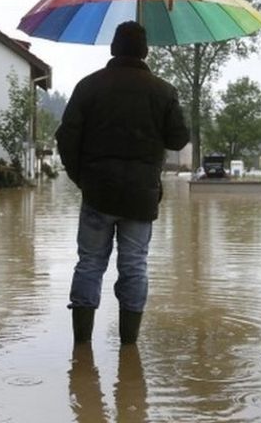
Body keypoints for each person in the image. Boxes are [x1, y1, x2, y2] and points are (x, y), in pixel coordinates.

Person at [56, 21, 189, 346]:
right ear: (145, 51)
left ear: (113, 48)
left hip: (97, 192)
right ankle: (129, 346)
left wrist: (81, 178)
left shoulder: (89, 86)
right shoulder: (163, 90)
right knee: (134, 265)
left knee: (89, 263)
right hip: (141, 198)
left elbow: (66, 137)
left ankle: (82, 347)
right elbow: (178, 138)